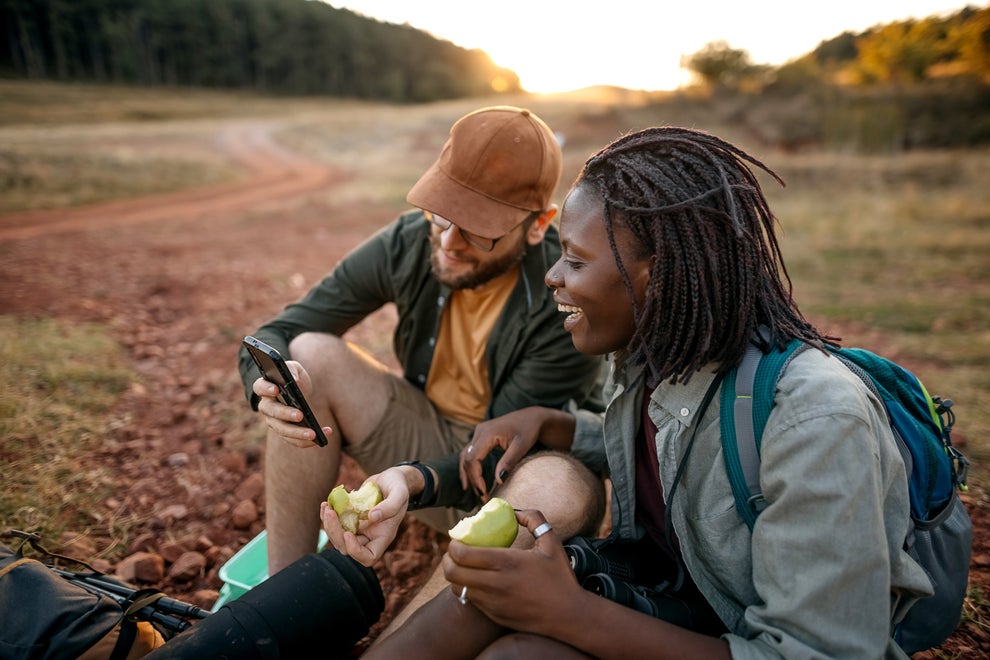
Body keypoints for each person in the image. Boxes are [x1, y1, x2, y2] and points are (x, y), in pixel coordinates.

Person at [346, 126, 935, 658]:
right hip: (676, 593)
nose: (554, 277)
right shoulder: (655, 354)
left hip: (740, 632)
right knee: (484, 593)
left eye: (574, 261)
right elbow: (678, 454)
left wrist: (573, 614)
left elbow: (815, 654)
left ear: (659, 274)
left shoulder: (816, 420)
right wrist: (557, 425)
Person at [238, 105, 604, 579]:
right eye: (441, 213)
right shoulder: (411, 242)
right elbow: (283, 329)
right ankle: (280, 593)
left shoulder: (563, 297)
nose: (449, 241)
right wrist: (265, 389)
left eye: (478, 229)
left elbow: (496, 461)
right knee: (307, 355)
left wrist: (412, 480)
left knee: (550, 487)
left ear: (538, 224)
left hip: (506, 481)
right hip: (430, 434)